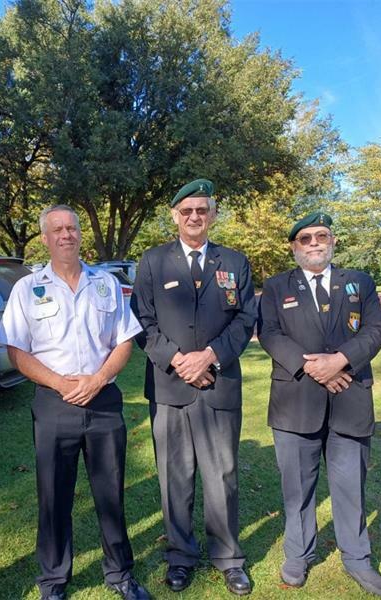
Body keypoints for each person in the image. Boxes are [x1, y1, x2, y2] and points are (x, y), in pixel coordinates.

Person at [0, 205, 150, 600]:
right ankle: (53, 581)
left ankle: (120, 573)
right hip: (54, 404)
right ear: (45, 238)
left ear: (80, 234)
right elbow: (16, 349)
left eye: (72, 228)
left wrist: (98, 378)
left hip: (103, 402)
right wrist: (60, 383)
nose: (66, 234)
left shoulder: (106, 283)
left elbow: (124, 340)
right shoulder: (26, 289)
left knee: (110, 492)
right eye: (57, 229)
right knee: (53, 496)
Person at [131, 179, 258, 596]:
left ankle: (228, 558)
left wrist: (210, 357)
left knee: (222, 475)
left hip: (219, 383)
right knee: (175, 476)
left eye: (202, 210)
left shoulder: (235, 262)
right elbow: (142, 323)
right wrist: (180, 361)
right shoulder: (152, 262)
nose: (194, 217)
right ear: (174, 216)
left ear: (212, 214)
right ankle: (181, 556)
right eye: (186, 211)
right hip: (170, 388)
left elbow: (245, 320)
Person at [257, 211, 381, 597]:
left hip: (350, 398)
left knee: (350, 485)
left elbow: (376, 330)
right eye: (305, 238)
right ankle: (298, 555)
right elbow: (268, 333)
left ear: (332, 241)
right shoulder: (276, 285)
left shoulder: (360, 283)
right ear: (294, 247)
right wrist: (315, 367)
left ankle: (357, 558)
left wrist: (340, 360)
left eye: (321, 236)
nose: (314, 242)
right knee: (297, 487)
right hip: (296, 401)